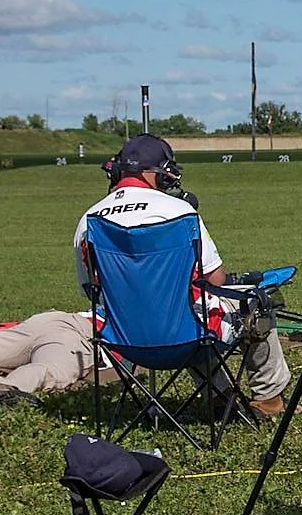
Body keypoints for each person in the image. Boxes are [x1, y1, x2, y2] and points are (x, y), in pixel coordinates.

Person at [73, 135, 290, 416]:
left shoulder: (88, 220)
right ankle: (268, 397)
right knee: (253, 304)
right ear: (156, 175)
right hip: (184, 337)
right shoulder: (180, 212)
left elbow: (89, 290)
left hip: (123, 340)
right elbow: (216, 280)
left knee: (183, 306)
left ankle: (220, 394)